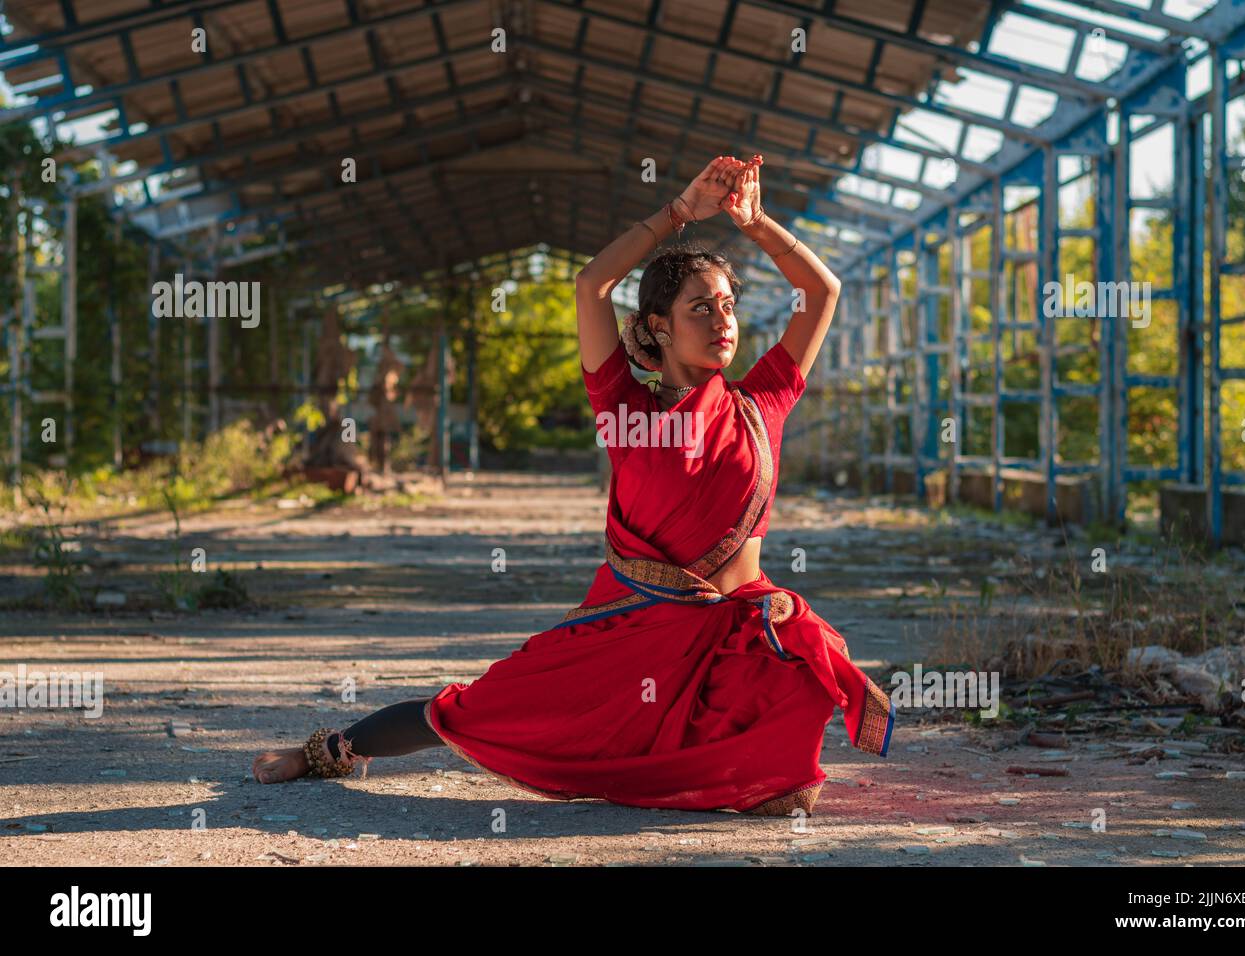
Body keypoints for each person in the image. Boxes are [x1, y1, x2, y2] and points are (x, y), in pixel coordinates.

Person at [252, 154, 894, 816]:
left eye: (728, 305)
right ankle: (327, 750)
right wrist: (677, 212)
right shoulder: (626, 407)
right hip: (631, 632)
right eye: (700, 307)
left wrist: (755, 223)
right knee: (478, 709)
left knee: (801, 649)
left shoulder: (762, 404)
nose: (721, 320)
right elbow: (592, 285)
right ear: (657, 326)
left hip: (733, 640)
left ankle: (735, 773)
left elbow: (822, 293)